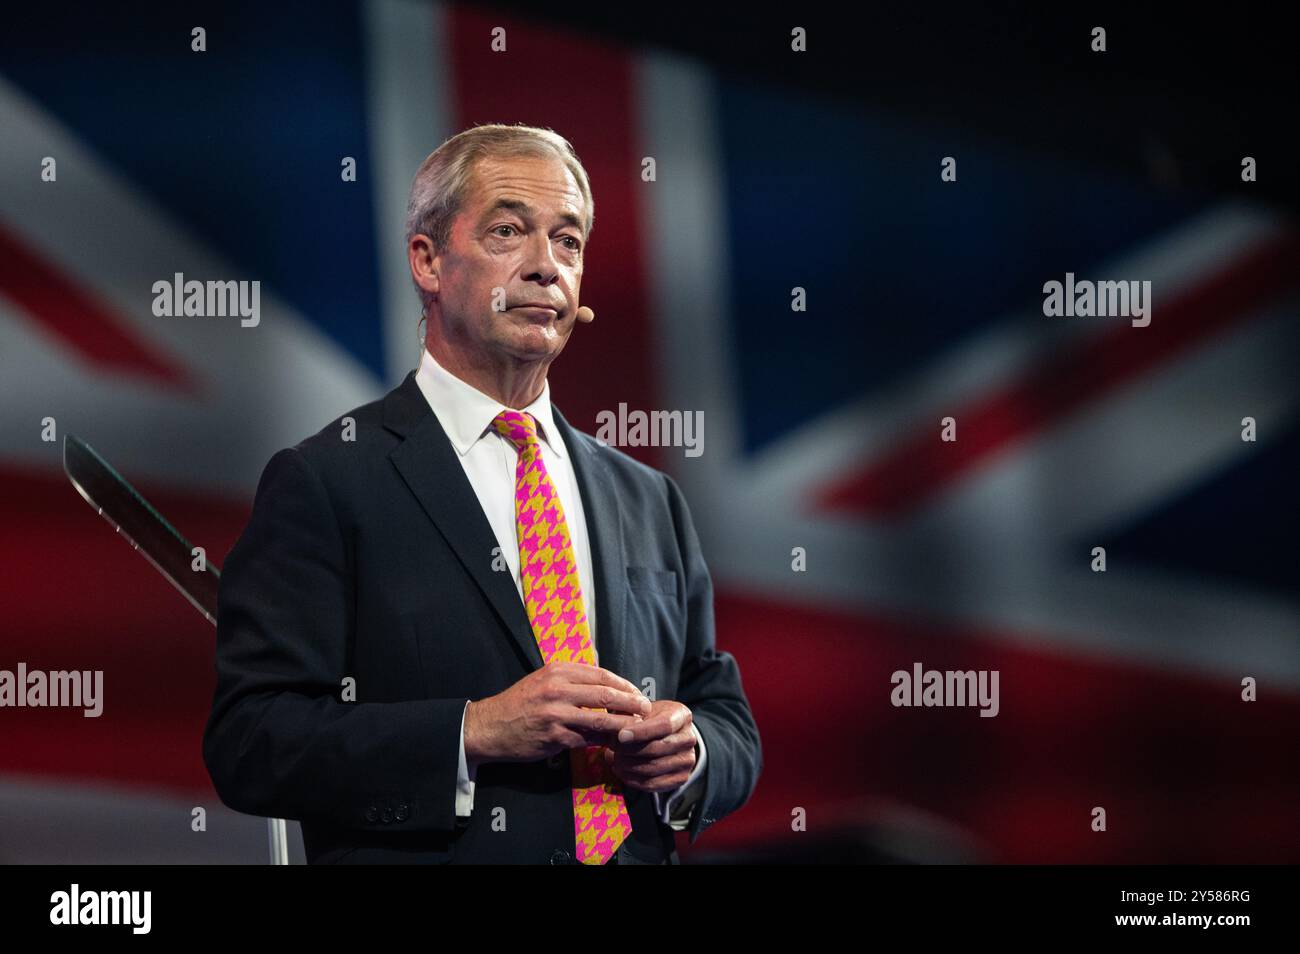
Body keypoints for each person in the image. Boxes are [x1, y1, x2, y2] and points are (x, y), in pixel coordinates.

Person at [202, 123, 761, 864]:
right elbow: (251, 741)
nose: (546, 267)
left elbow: (725, 715)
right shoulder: (329, 481)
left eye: (568, 242)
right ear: (427, 261)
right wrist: (471, 732)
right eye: (508, 232)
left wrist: (692, 756)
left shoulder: (648, 497)